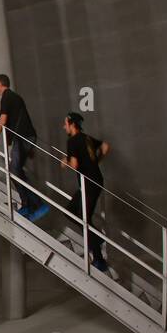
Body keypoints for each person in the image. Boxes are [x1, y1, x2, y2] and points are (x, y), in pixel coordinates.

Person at [0, 74, 48, 220]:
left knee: (13, 169)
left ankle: (33, 204)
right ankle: (31, 204)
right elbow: (19, 119)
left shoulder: (6, 96)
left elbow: (3, 121)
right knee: (16, 170)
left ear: (0, 84)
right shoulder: (14, 97)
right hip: (26, 137)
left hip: (23, 137)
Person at [62, 111, 110, 272]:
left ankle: (99, 259)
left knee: (84, 219)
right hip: (93, 182)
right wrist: (96, 161)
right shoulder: (87, 138)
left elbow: (74, 165)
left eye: (65, 124)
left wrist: (65, 161)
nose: (64, 127)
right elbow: (105, 146)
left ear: (72, 124)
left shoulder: (73, 141)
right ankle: (97, 239)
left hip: (89, 184)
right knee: (70, 211)